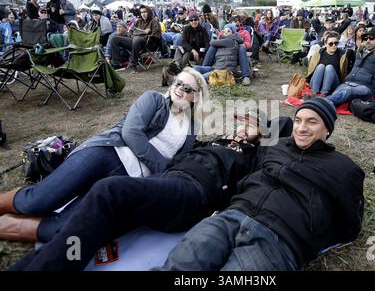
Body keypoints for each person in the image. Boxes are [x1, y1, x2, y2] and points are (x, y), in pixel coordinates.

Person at [8, 112, 294, 271]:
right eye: (244, 123)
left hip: (193, 192)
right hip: (167, 184)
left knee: (109, 191)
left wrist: (262, 134)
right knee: (90, 227)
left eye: (253, 125)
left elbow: (284, 126)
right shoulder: (217, 141)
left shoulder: (254, 157)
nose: (244, 127)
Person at [151, 98, 365, 271]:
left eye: (312, 122)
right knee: (181, 265)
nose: (301, 128)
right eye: (298, 120)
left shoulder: (344, 169)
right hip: (233, 216)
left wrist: (308, 237)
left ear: (327, 129)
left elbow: (349, 225)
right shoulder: (277, 146)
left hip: (279, 239)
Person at [0, 68, 209, 243]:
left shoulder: (192, 128)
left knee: (63, 229)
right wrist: (161, 167)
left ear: (196, 97)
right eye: (178, 82)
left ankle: (8, 226)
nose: (180, 88)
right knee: (38, 201)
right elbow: (131, 133)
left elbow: (181, 160)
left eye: (188, 88)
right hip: (106, 153)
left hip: (126, 182)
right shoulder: (154, 99)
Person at [326, 27, 375, 107]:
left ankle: (321, 104)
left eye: (371, 38)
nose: (368, 41)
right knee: (339, 93)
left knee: (346, 91)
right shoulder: (360, 51)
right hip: (348, 83)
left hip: (366, 87)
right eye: (365, 38)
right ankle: (324, 104)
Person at [110, 5, 162, 73]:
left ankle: (133, 65)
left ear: (149, 12)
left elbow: (156, 35)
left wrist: (145, 33)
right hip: (134, 40)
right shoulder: (139, 21)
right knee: (114, 38)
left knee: (137, 39)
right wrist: (132, 34)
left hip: (147, 43)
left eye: (145, 12)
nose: (143, 14)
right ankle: (117, 64)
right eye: (141, 12)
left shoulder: (154, 21)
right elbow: (132, 31)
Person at [306, 31, 351, 97]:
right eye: (331, 44)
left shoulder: (342, 54)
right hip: (317, 81)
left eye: (336, 43)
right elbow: (311, 69)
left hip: (333, 83)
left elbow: (344, 72)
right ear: (325, 44)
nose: (334, 45)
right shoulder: (319, 53)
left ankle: (324, 93)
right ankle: (314, 92)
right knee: (320, 66)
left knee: (329, 67)